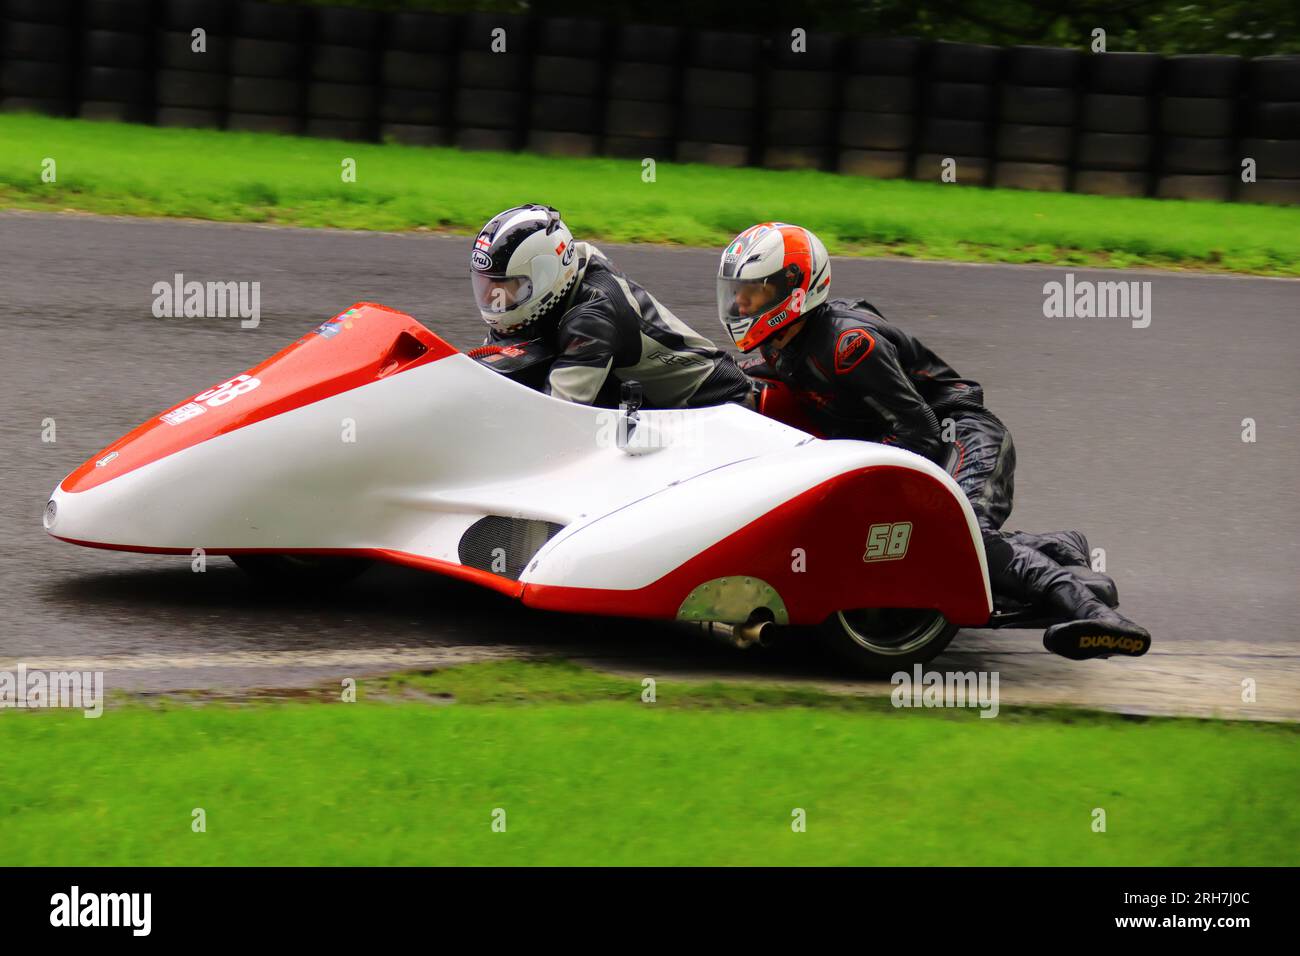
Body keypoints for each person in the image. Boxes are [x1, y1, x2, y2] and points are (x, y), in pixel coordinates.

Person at [715, 221, 1151, 661]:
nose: (740, 301)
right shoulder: (782, 342)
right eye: (737, 289)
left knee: (961, 541)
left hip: (959, 433)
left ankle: (1096, 613)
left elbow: (919, 429)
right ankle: (1058, 546)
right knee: (929, 535)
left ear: (792, 287)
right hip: (918, 437)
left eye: (755, 289)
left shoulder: (849, 346)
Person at [469, 203, 750, 408]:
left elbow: (558, 413)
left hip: (713, 405)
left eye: (507, 289)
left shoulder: (594, 315)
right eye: (487, 288)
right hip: (645, 407)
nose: (495, 301)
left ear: (546, 275)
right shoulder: (553, 286)